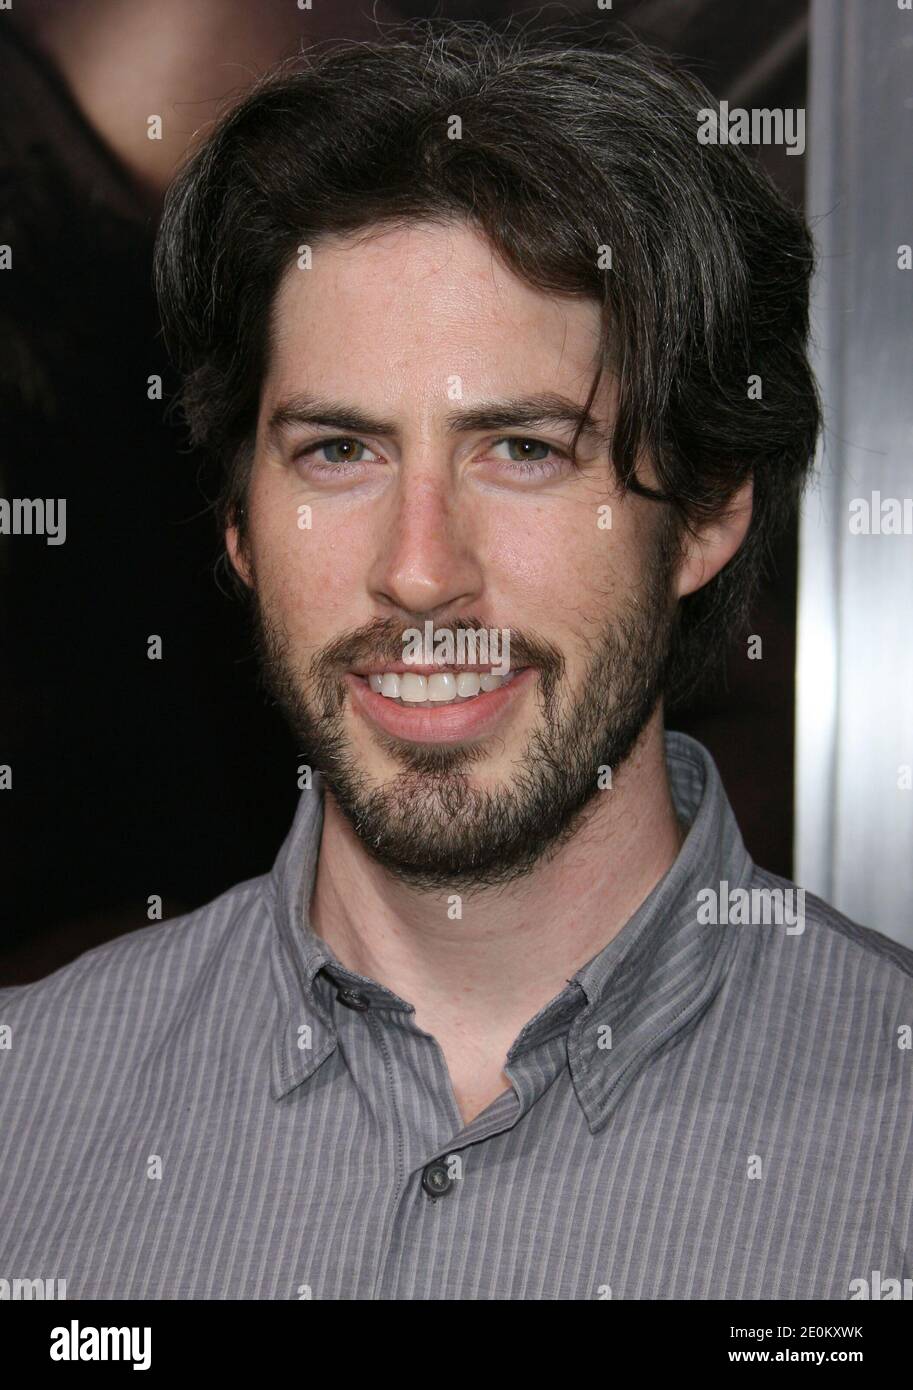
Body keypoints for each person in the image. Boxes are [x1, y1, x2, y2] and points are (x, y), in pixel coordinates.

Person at [1, 22, 910, 1301]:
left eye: (523, 450)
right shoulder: (24, 1115)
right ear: (237, 524)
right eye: (338, 451)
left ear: (705, 512)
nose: (420, 570)